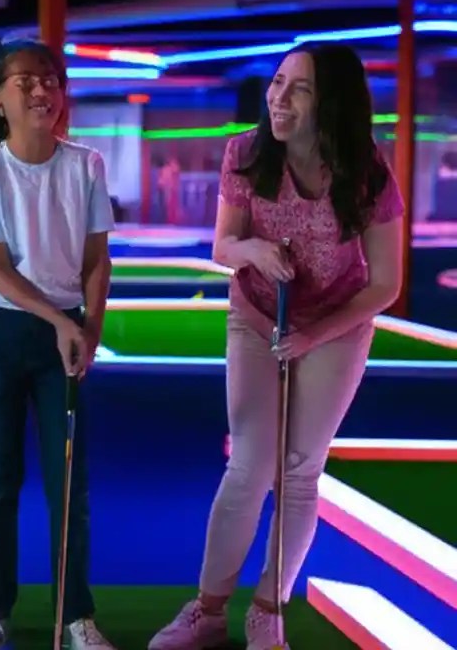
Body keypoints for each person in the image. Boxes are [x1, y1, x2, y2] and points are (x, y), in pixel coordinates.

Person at [148, 43, 404, 650]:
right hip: (258, 313)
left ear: (331, 103)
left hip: (336, 322)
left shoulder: (366, 170)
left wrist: (317, 333)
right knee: (251, 464)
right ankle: (208, 611)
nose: (279, 98)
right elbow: (222, 247)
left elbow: (386, 283)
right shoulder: (247, 153)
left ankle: (269, 608)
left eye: (301, 89)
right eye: (278, 82)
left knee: (300, 469)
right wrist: (254, 252)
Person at [0, 39, 117, 650]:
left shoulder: (86, 165)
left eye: (49, 79)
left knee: (68, 480)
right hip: (2, 330)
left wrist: (90, 325)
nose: (40, 91)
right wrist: (60, 321)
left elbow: (97, 259)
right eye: (23, 81)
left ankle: (77, 615)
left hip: (68, 332)